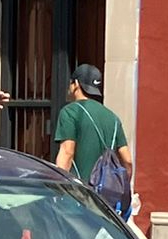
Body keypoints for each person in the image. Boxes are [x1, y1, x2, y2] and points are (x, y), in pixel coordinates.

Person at [53, 64, 134, 199]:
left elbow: (67, 152)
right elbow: (128, 161)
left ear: (76, 84)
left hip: (79, 195)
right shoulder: (113, 118)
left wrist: (59, 190)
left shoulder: (70, 112)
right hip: (106, 200)